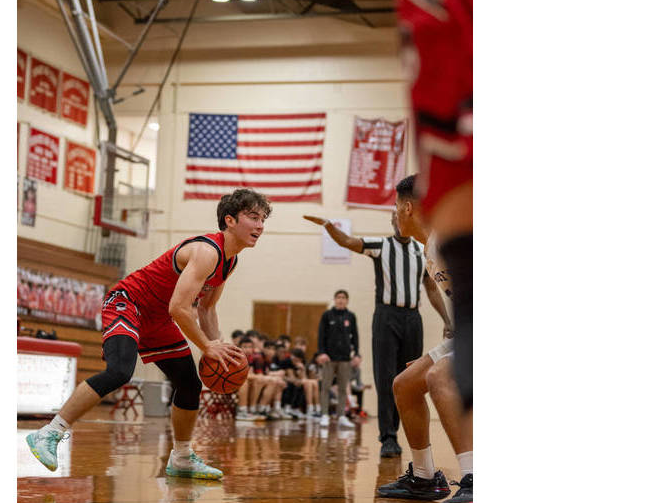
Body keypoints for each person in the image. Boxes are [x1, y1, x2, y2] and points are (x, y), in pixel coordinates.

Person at [26, 189, 268, 480]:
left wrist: (217, 349)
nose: (259, 226)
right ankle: (49, 433)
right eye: (253, 218)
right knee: (119, 371)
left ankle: (181, 458)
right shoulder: (208, 251)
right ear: (229, 220)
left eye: (263, 219)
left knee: (189, 383)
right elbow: (180, 307)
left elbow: (206, 309)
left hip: (159, 317)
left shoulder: (230, 261)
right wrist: (206, 346)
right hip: (128, 303)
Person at [303, 210, 451, 457]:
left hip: (413, 318)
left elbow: (431, 288)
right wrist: (329, 225)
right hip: (386, 317)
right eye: (393, 219)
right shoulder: (381, 245)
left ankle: (411, 440)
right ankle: (388, 438)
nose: (397, 222)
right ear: (392, 222)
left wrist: (446, 319)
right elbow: (348, 241)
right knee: (386, 378)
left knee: (411, 376)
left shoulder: (420, 250)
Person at [374, 175, 472, 503]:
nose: (395, 216)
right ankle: (425, 477)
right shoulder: (429, 246)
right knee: (405, 383)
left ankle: (474, 478)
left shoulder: (449, 238)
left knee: (440, 376)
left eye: (395, 209)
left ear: (407, 207)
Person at [313, 290, 359, 429]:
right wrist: (321, 352)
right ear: (334, 299)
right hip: (329, 358)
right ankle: (325, 415)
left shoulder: (351, 316)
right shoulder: (327, 315)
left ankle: (341, 416)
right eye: (338, 297)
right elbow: (321, 335)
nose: (341, 300)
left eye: (343, 297)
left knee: (343, 388)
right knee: (326, 387)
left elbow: (355, 337)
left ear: (347, 300)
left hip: (345, 358)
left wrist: (356, 354)